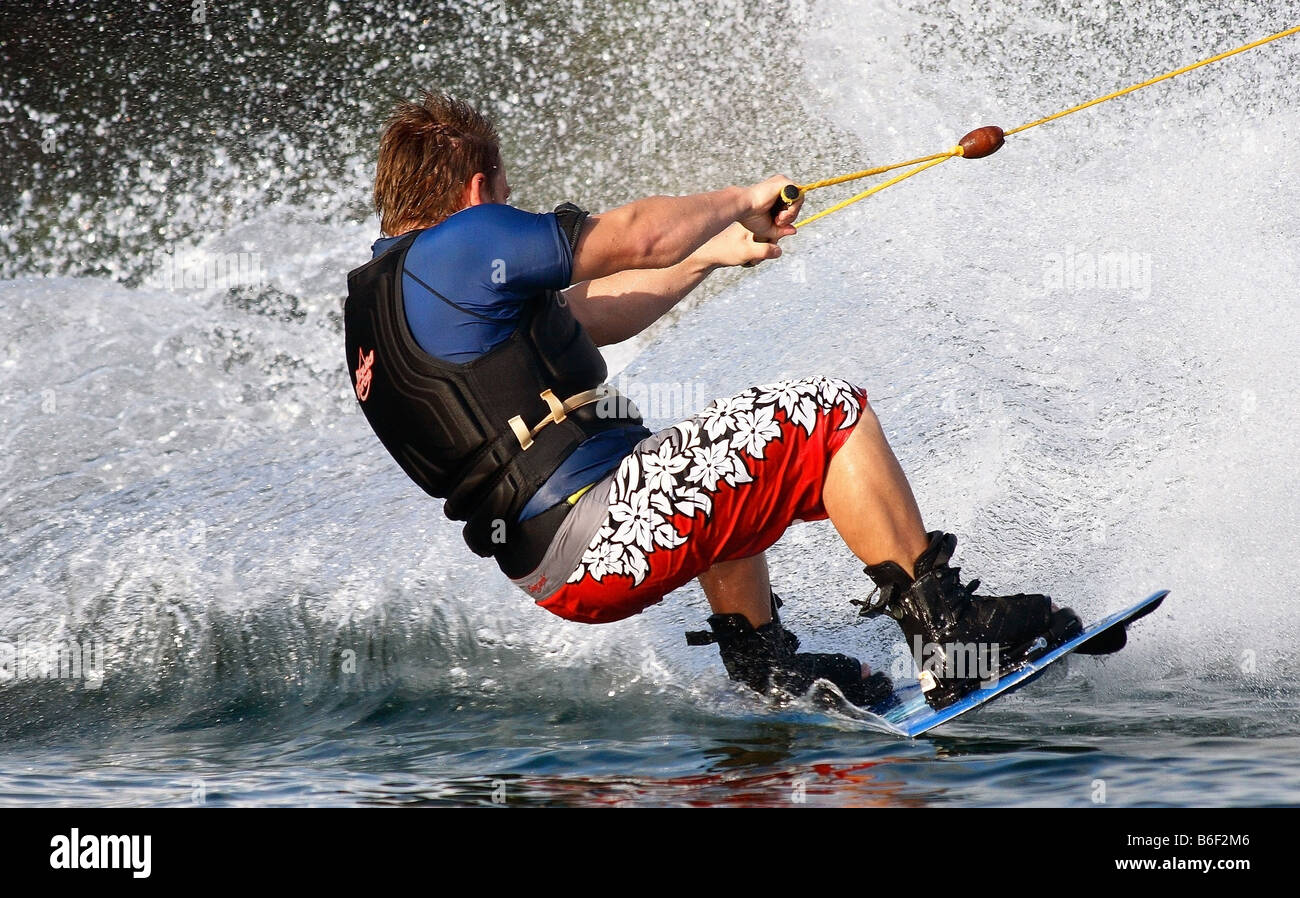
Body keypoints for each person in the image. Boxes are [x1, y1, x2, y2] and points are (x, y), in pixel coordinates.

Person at [344, 92, 1093, 712]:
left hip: (554, 565)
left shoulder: (389, 302)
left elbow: (592, 313)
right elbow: (635, 236)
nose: (509, 207)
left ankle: (765, 663)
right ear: (477, 190)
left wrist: (710, 250)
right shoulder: (466, 240)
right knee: (828, 413)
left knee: (711, 462)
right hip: (599, 533)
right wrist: (741, 196)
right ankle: (949, 637)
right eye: (506, 195)